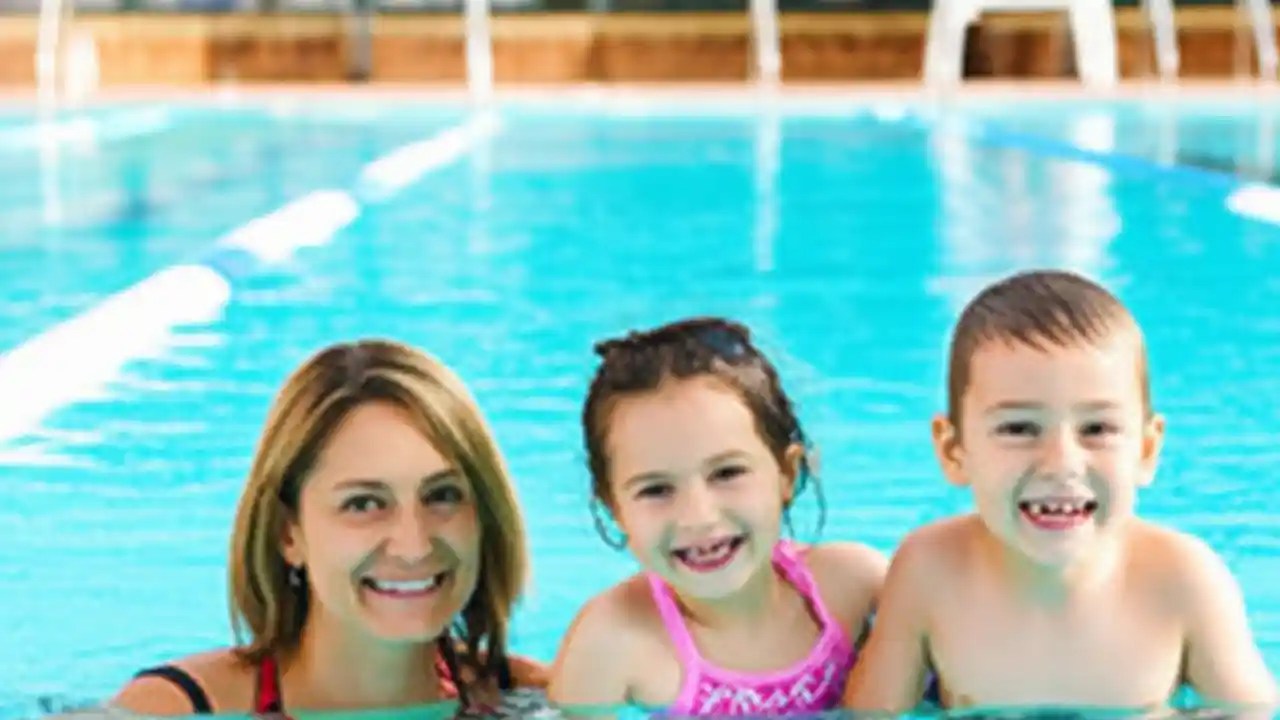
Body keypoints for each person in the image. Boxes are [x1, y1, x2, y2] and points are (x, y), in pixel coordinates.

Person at [843, 269, 1278, 712]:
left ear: (1146, 449)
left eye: (1097, 428)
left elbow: (1252, 711)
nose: (1062, 462)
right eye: (1019, 428)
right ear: (954, 450)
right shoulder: (930, 569)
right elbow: (869, 714)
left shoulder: (1182, 581)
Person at [112, 338, 545, 716]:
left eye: (442, 496)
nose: (413, 546)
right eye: (363, 504)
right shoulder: (172, 709)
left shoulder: (541, 701)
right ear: (287, 533)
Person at [549, 317, 885, 716]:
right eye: (655, 490)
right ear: (614, 508)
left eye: (727, 473)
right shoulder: (612, 644)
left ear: (787, 475)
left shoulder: (853, 590)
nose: (698, 517)